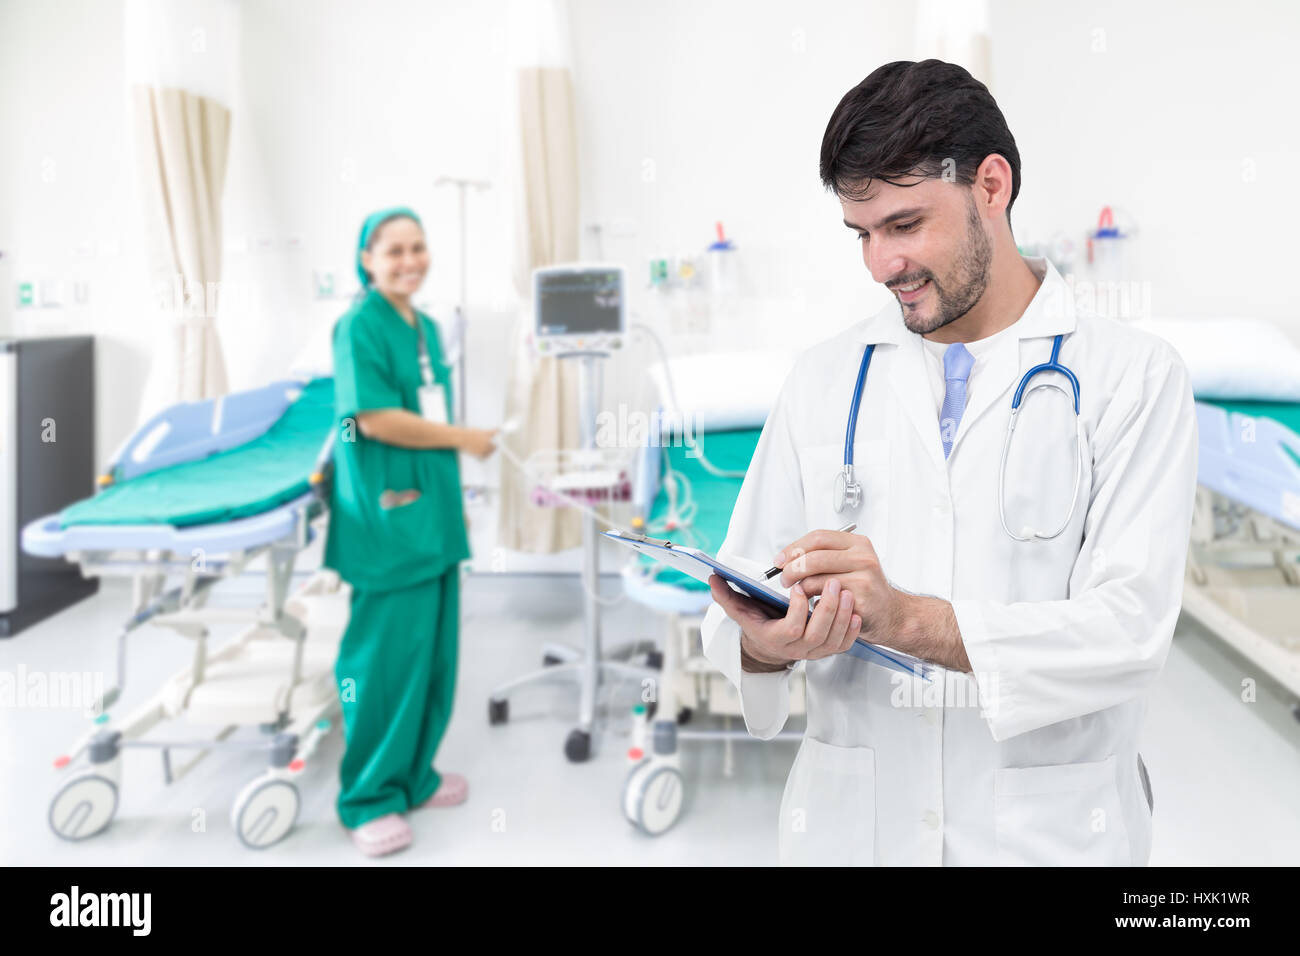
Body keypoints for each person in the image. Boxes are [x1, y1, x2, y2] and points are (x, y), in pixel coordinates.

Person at [703, 60, 1198, 866]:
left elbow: (1129, 632)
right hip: (853, 831)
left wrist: (908, 621)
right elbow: (737, 602)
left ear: (991, 187)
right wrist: (770, 642)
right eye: (862, 234)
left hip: (1047, 831)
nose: (879, 264)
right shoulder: (825, 378)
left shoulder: (1132, 378)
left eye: (904, 225)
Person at [325, 207, 498, 857]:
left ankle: (412, 777)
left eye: (418, 248)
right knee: (383, 666)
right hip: (388, 518)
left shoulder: (423, 325)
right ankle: (366, 798)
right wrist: (465, 440)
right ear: (366, 258)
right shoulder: (358, 327)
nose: (409, 260)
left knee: (431, 660)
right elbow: (373, 419)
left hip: (433, 515)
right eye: (393, 250)